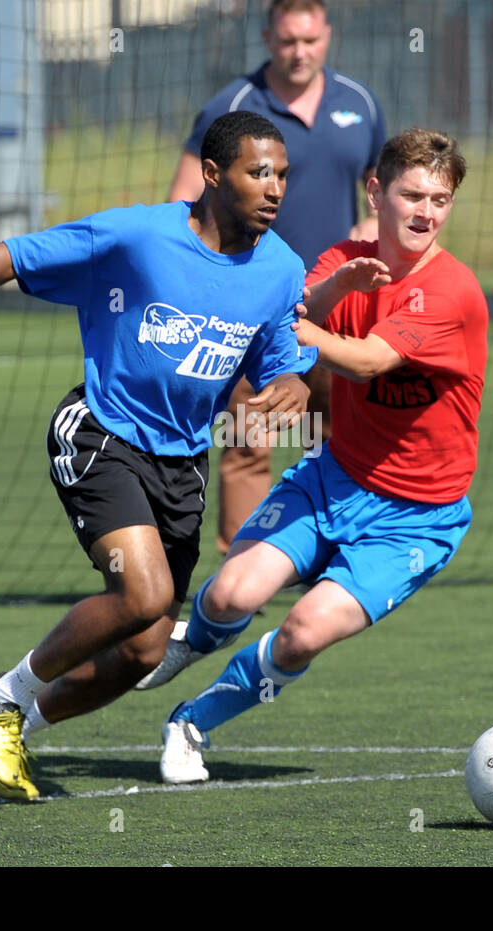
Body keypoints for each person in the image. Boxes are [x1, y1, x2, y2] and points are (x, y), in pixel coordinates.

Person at [0, 111, 315, 800]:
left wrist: (291, 384)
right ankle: (2, 697)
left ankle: (18, 723)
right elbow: (19, 254)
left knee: (141, 650)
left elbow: (283, 358)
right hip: (101, 434)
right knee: (146, 594)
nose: (275, 186)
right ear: (214, 174)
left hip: (181, 465)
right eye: (259, 172)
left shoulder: (280, 267)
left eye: (282, 173)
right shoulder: (141, 235)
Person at [146, 128, 488, 785]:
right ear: (375, 191)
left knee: (302, 632)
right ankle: (194, 639)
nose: (425, 212)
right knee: (227, 594)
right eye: (411, 195)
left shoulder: (450, 292)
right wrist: (323, 303)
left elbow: (366, 359)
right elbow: (306, 308)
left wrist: (288, 326)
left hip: (418, 516)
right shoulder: (347, 257)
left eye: (440, 201)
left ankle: (192, 723)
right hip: (336, 477)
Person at [168, 0, 386, 556]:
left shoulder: (359, 103)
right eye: (288, 41)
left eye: (310, 41)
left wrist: (372, 227)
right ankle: (242, 567)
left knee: (343, 438)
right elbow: (182, 201)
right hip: (253, 305)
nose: (299, 52)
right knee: (248, 438)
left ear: (327, 36)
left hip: (335, 306)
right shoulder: (233, 107)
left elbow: (380, 189)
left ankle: (339, 558)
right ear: (268, 37)